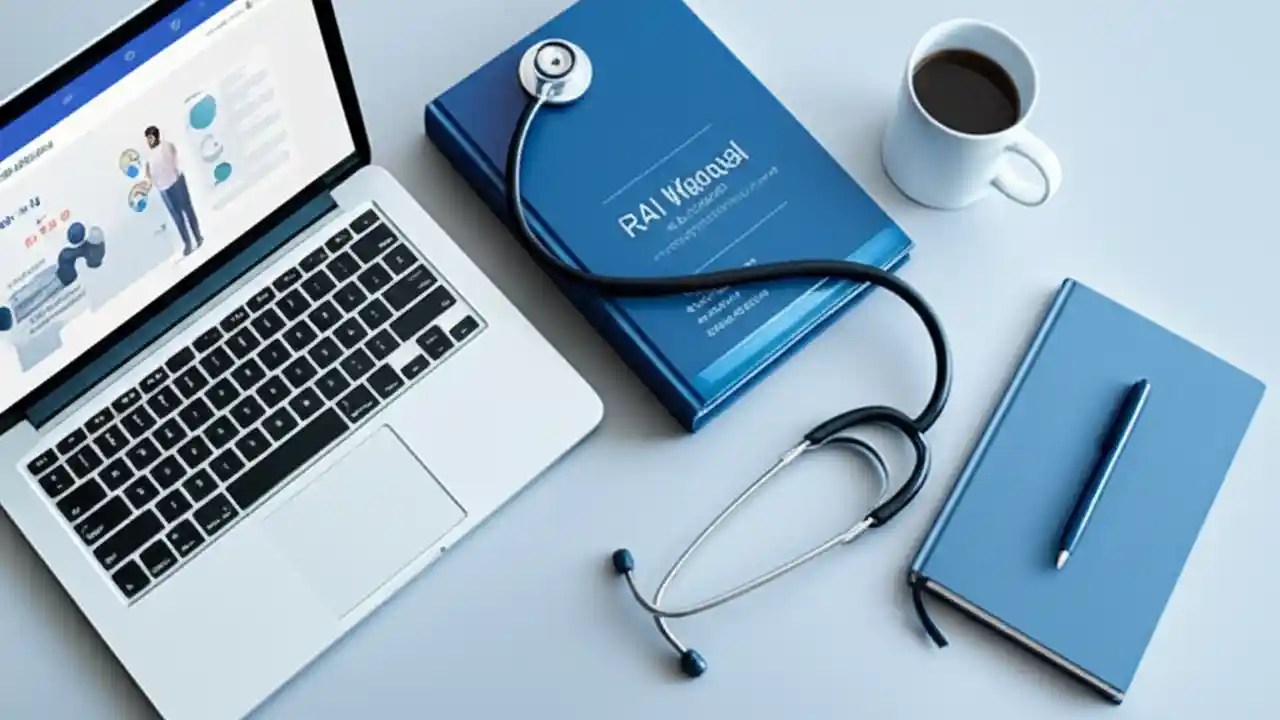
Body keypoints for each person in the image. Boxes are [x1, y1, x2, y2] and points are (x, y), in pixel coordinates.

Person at [144, 126, 204, 256]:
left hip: (177, 181)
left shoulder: (167, 146)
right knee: (177, 217)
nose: (149, 141)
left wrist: (176, 172)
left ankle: (197, 236)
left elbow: (176, 159)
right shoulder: (149, 157)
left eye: (151, 137)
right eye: (147, 138)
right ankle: (187, 243)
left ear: (156, 136)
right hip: (164, 189)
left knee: (187, 209)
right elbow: (148, 173)